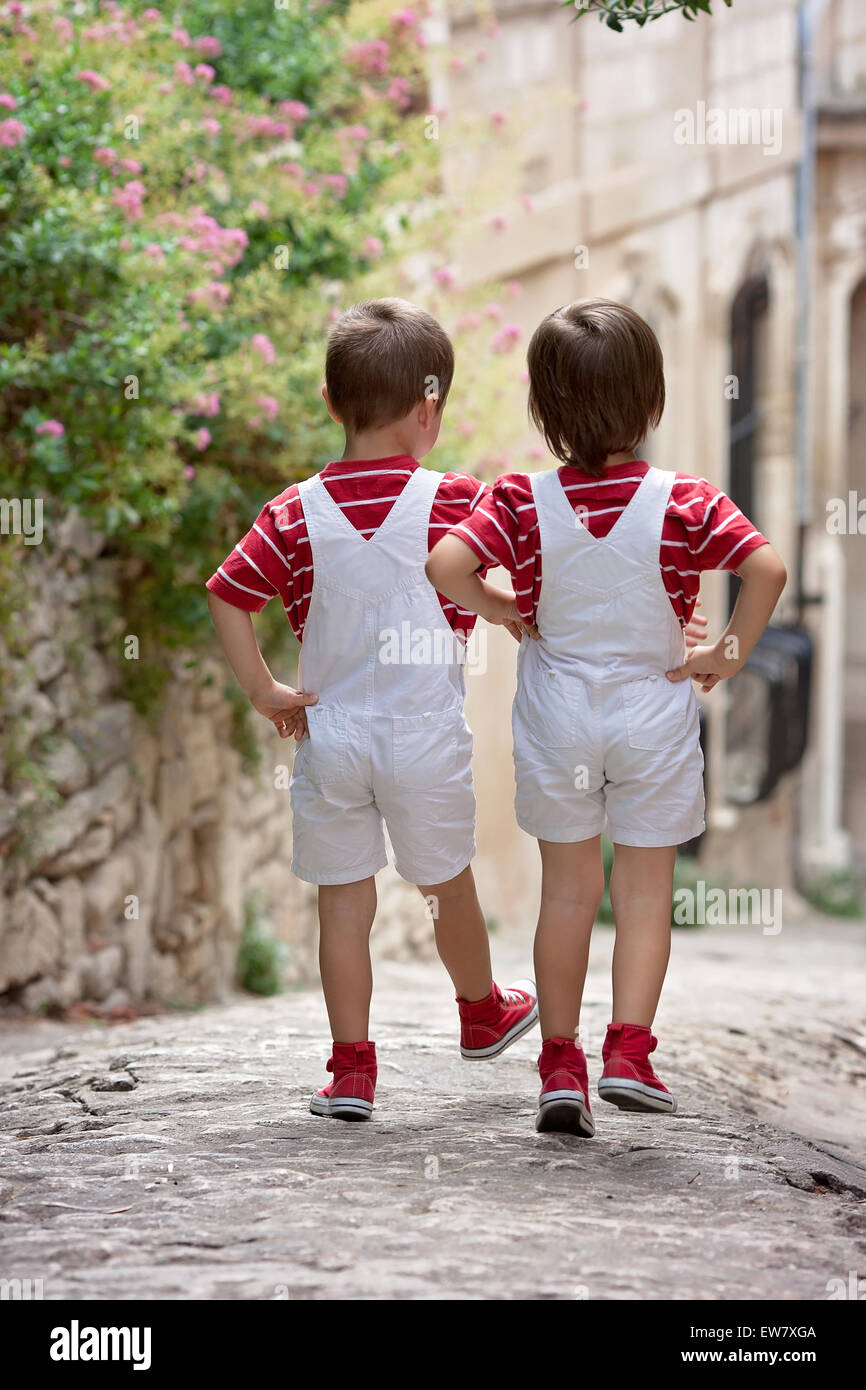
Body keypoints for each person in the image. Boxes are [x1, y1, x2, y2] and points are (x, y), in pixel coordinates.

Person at [425, 298, 787, 1137]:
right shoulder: (686, 500)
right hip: (652, 712)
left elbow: (445, 564)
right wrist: (721, 657)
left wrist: (505, 606)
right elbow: (763, 567)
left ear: (545, 410)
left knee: (567, 893)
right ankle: (630, 1051)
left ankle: (560, 1065)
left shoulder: (520, 501)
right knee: (646, 892)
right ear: (651, 401)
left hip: (558, 714)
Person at [206, 298, 538, 1123]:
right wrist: (503, 608)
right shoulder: (455, 498)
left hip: (332, 736)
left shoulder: (293, 513)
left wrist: (266, 692)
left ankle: (352, 1071)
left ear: (330, 404)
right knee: (447, 886)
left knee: (342, 906)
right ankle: (480, 1011)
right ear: (429, 409)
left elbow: (226, 596)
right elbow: (522, 565)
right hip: (423, 738)